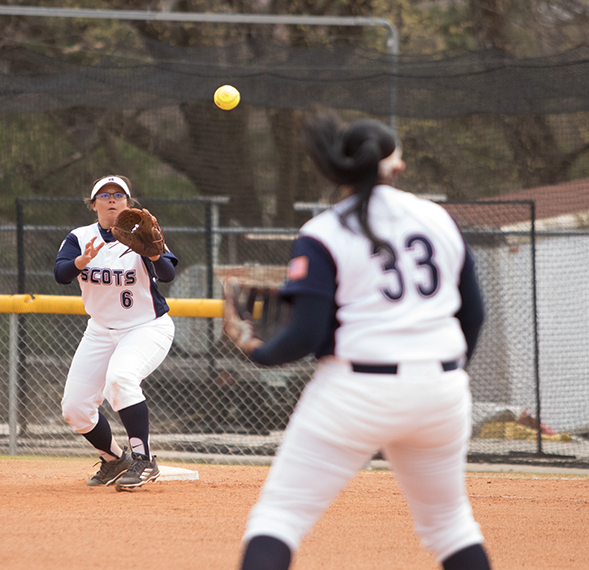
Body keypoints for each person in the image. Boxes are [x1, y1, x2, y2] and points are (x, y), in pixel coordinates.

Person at [228, 110, 491, 569]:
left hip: (355, 391)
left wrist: (256, 349)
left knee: (280, 517)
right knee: (451, 528)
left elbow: (306, 335)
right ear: (397, 166)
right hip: (442, 390)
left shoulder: (324, 231)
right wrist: (438, 375)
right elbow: (474, 315)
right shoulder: (437, 218)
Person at [54, 174, 177, 490]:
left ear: (128, 203)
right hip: (100, 331)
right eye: (104, 195)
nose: (111, 199)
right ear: (93, 204)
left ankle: (144, 460)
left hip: (145, 327)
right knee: (75, 409)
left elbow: (167, 273)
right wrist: (81, 261)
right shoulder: (79, 238)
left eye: (118, 195)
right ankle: (114, 459)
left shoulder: (142, 235)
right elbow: (61, 275)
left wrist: (153, 253)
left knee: (121, 378)